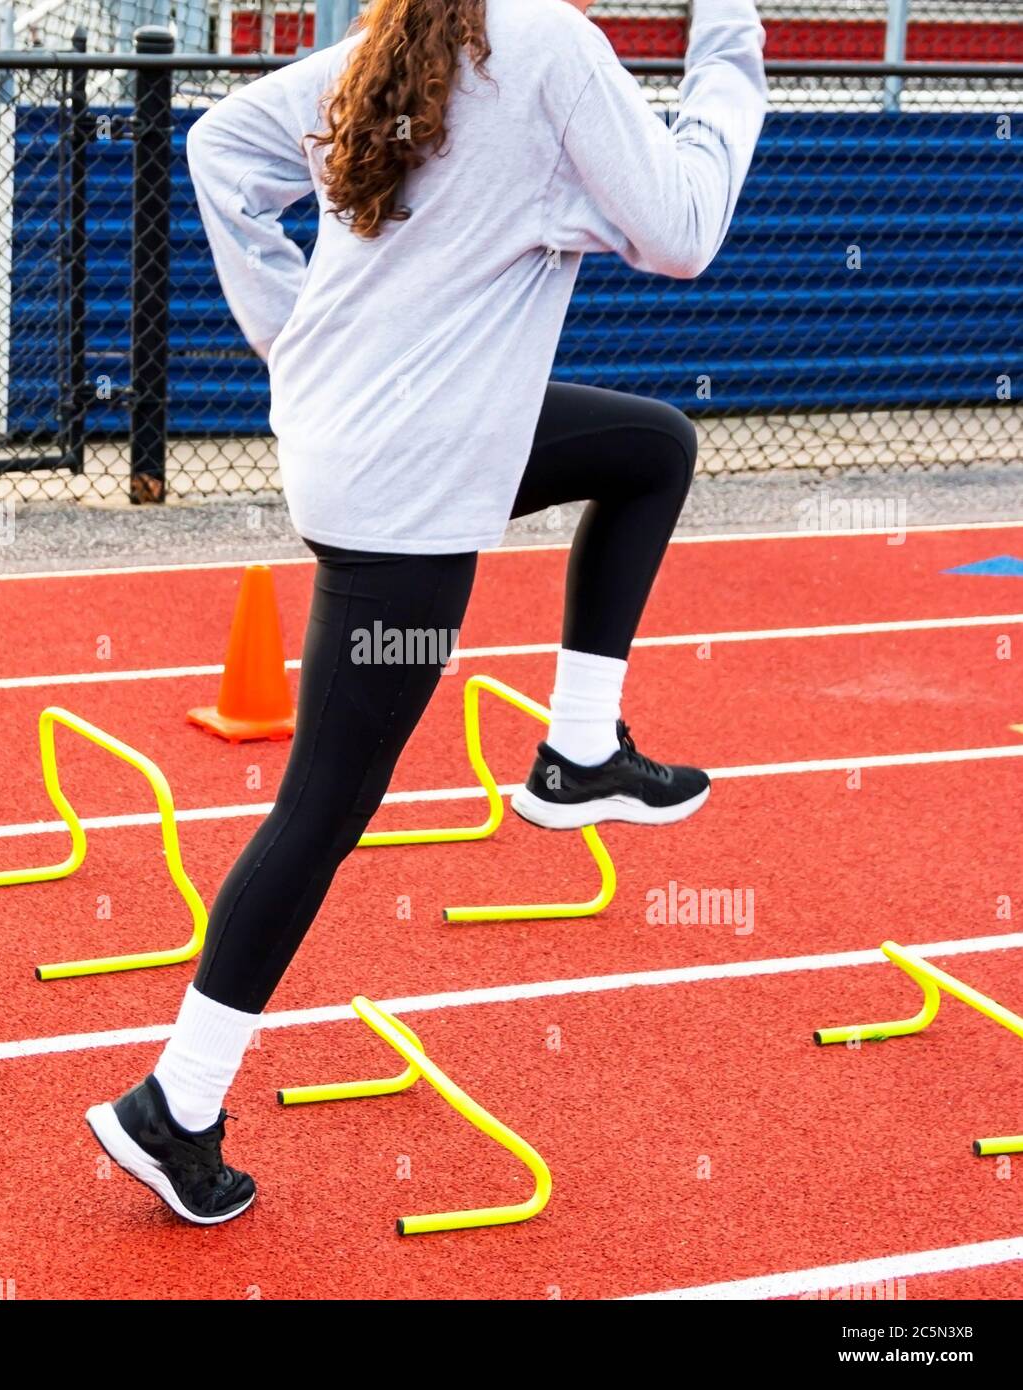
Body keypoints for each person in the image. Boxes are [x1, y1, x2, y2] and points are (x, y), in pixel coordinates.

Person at [87, 0, 767, 1224]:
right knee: (322, 810)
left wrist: (290, 338)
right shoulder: (547, 47)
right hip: (406, 482)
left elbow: (219, 148)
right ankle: (173, 1104)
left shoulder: (409, 34)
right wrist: (726, 52)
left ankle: (579, 750)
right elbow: (681, 233)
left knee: (649, 448)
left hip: (377, 430)